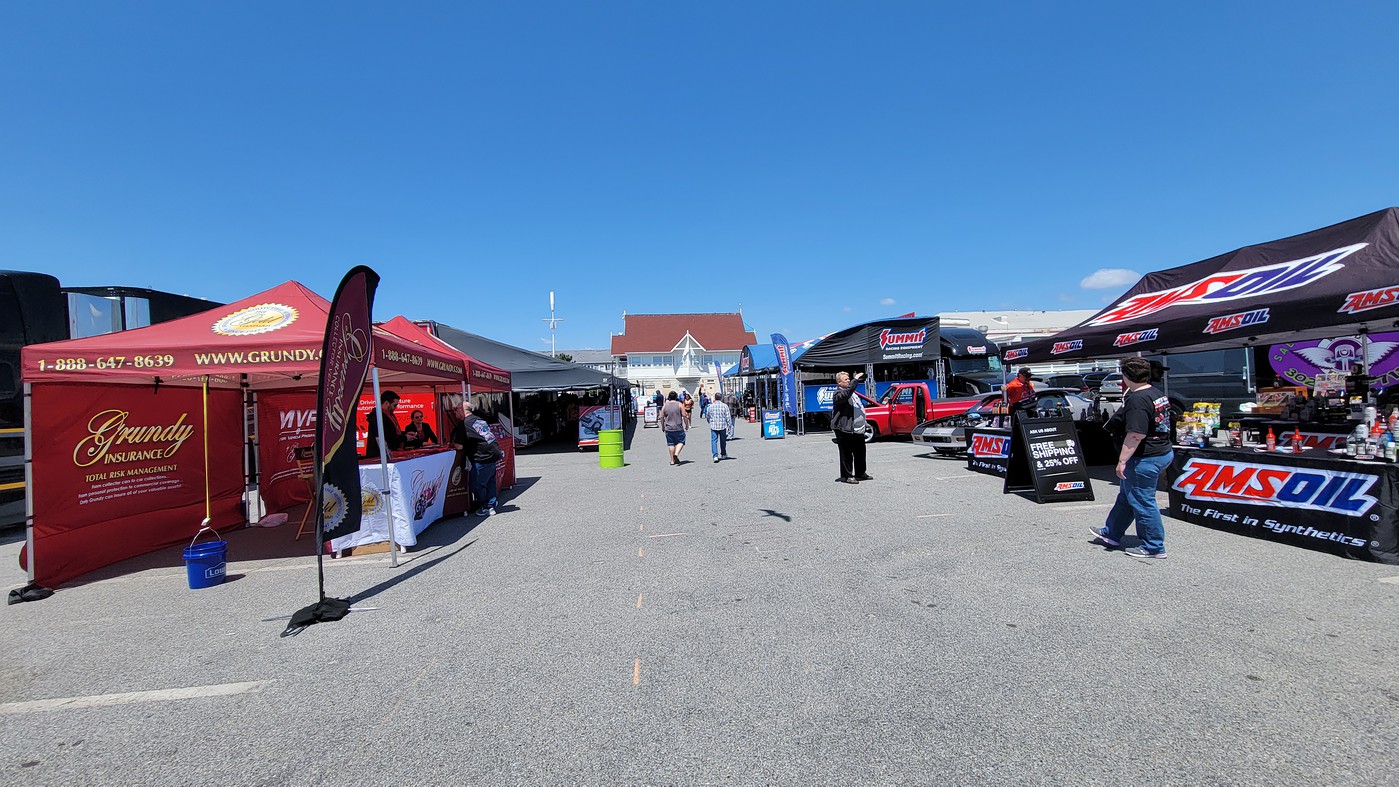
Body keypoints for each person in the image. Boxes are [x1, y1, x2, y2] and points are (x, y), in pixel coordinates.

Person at [1090, 357, 1174, 558]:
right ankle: (1112, 533)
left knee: (1142, 501)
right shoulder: (1155, 392)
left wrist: (1122, 461)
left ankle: (1153, 546)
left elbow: (1136, 433)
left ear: (1127, 376)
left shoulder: (1137, 399)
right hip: (1161, 451)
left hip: (1146, 456)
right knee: (1128, 496)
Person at [450, 401, 504, 516]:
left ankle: (486, 506)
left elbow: (459, 446)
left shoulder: (464, 424)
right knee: (490, 481)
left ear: (461, 410)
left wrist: (451, 445)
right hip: (493, 452)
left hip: (482, 456)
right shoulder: (479, 419)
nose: (454, 412)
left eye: (456, 409)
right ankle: (491, 504)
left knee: (477, 484)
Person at [830, 371, 872, 484]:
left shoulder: (853, 393)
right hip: (844, 428)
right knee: (846, 453)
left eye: (849, 379)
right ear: (839, 382)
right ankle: (847, 475)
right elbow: (845, 395)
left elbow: (858, 407)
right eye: (846, 380)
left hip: (857, 428)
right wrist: (855, 380)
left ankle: (860, 473)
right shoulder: (838, 393)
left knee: (860, 452)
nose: (848, 381)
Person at [364, 390, 405, 459]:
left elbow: (393, 432)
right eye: (394, 405)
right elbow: (386, 437)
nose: (396, 408)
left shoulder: (390, 416)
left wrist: (405, 434)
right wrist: (405, 437)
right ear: (386, 403)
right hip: (379, 456)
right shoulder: (377, 417)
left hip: (390, 453)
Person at [704, 392, 733, 462]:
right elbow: (728, 417)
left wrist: (709, 421)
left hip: (713, 425)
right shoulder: (724, 406)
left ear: (714, 398)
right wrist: (729, 425)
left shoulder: (710, 406)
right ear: (721, 398)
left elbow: (707, 416)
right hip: (722, 425)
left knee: (714, 440)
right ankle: (723, 454)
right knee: (723, 441)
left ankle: (715, 456)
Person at [661, 391, 687, 465]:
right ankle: (676, 454)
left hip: (668, 428)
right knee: (681, 441)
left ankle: (672, 460)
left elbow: (661, 417)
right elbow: (684, 415)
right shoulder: (679, 404)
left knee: (670, 444)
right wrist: (687, 425)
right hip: (678, 427)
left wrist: (663, 426)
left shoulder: (665, 405)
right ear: (676, 397)